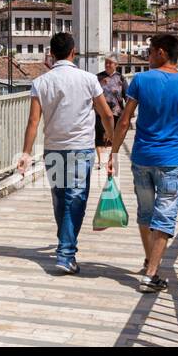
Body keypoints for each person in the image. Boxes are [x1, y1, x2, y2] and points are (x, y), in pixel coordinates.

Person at [107, 33, 178, 293]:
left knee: (145, 213)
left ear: (162, 52)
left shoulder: (140, 80)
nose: (148, 55)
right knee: (164, 217)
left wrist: (114, 153)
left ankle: (148, 262)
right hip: (170, 162)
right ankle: (151, 274)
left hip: (142, 158)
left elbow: (124, 121)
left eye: (151, 51)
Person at [18, 33, 114, 275]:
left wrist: (26, 153)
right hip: (81, 148)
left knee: (61, 198)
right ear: (74, 52)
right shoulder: (89, 79)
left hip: (53, 148)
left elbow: (32, 121)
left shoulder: (41, 82)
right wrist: (112, 139)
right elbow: (107, 114)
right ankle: (66, 253)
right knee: (76, 199)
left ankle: (65, 246)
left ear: (51, 54)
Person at [94, 56, 125, 168]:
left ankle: (113, 160)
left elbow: (126, 95)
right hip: (100, 112)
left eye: (110, 63)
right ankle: (101, 162)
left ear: (116, 65)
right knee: (99, 137)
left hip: (116, 113)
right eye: (106, 62)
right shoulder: (98, 77)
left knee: (114, 138)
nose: (107, 65)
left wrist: (128, 114)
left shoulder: (121, 78)